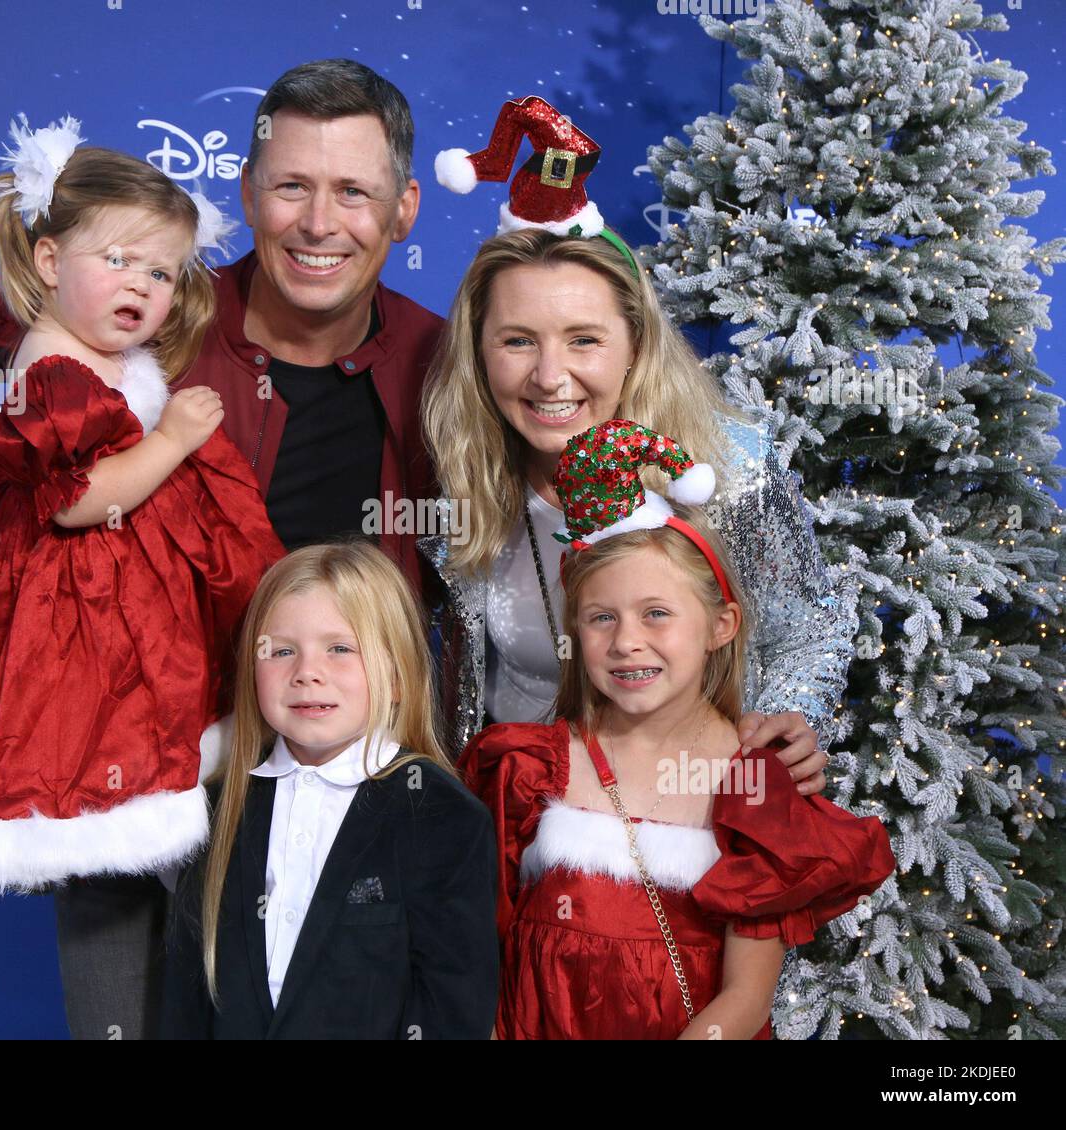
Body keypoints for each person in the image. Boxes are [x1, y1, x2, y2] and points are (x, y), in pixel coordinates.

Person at [0, 114, 284, 1039]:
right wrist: (176, 438)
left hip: (129, 627)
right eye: (122, 261)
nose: (143, 286)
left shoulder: (96, 353)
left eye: (162, 272)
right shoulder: (54, 365)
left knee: (164, 848)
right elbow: (77, 501)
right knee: (112, 837)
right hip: (85, 643)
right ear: (51, 260)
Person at [420, 96, 857, 784]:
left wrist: (791, 720)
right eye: (517, 341)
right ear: (479, 352)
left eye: (584, 340)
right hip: (515, 834)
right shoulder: (460, 477)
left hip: (687, 821)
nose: (549, 376)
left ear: (635, 346)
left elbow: (810, 626)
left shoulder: (725, 467)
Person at [460, 421, 896, 1039]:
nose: (627, 641)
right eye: (601, 618)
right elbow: (478, 953)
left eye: (657, 614)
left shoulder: (753, 789)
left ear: (721, 625)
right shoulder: (525, 770)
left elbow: (745, 999)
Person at [0, 59, 443, 597]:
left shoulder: (445, 362)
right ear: (248, 193)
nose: (319, 225)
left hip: (372, 679)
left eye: (353, 192)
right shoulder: (143, 322)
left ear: (405, 210)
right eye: (292, 186)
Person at [163, 541, 498, 1039]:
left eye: (340, 649)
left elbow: (453, 1009)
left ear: (398, 673)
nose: (306, 673)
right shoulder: (214, 811)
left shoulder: (443, 817)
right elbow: (184, 1008)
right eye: (280, 651)